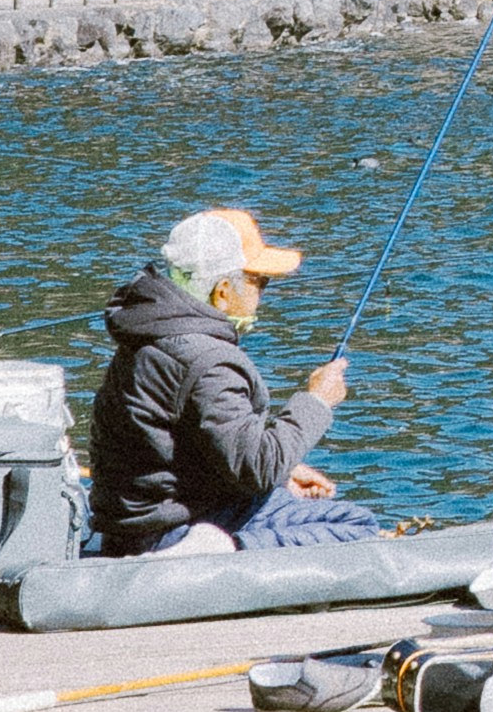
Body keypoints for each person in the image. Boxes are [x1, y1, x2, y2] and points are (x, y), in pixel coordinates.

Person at [89, 210, 354, 556]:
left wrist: (282, 474)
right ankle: (217, 552)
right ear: (224, 292)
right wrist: (316, 401)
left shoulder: (146, 335)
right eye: (259, 281)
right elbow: (259, 468)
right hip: (168, 532)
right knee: (352, 525)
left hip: (131, 526)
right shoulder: (209, 360)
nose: (263, 293)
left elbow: (180, 450)